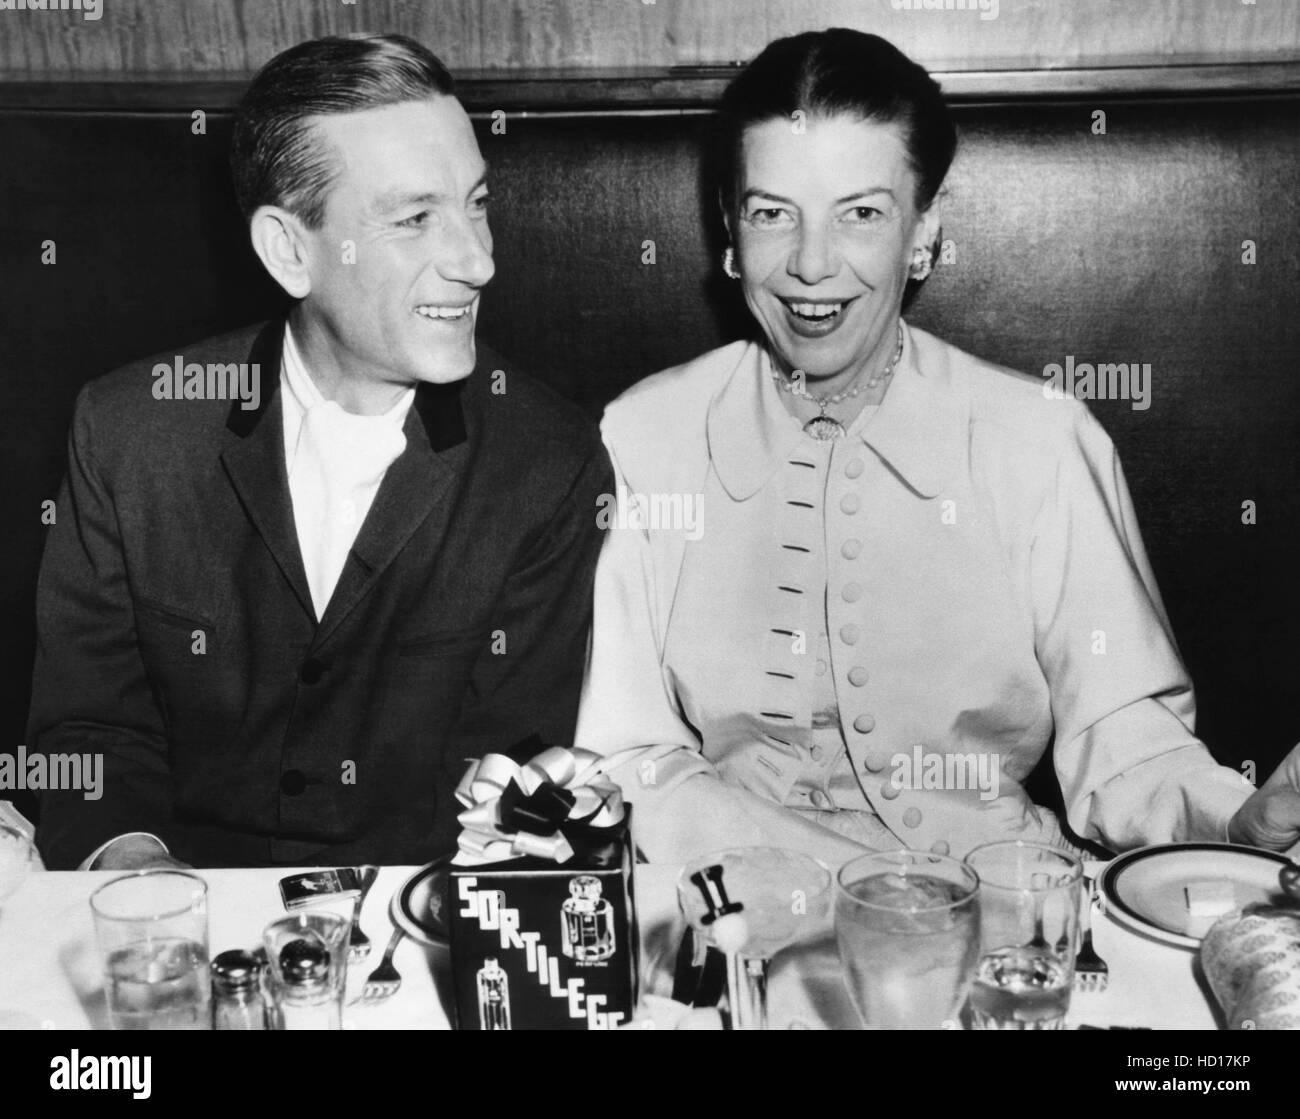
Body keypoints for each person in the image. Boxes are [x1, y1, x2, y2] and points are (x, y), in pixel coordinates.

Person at [576, 29, 1300, 866]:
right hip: (735, 913)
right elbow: (628, 753)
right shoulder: (645, 435)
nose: (812, 265)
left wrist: (1235, 823)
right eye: (773, 213)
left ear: (924, 230)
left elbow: (1125, 742)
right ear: (729, 233)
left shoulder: (1041, 438)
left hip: (1002, 915)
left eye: (862, 214)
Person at [28, 34, 612, 870]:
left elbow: (505, 777)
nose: (477, 259)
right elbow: (89, 732)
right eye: (415, 219)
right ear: (288, 250)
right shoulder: (130, 433)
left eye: (476, 202)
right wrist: (146, 889)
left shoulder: (549, 464)